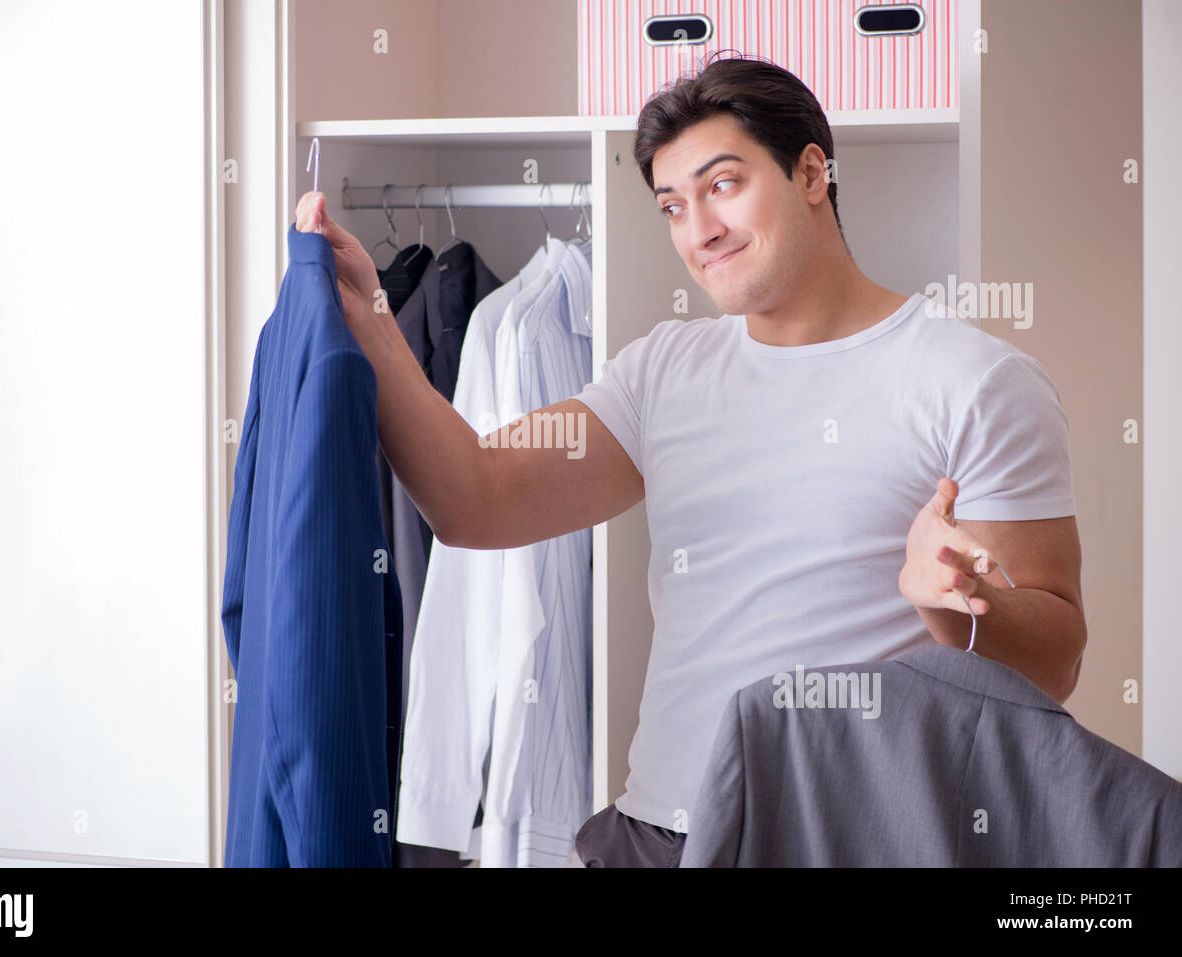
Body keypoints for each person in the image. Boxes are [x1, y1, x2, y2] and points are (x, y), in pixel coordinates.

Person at [290, 55, 1086, 867]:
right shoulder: (662, 370)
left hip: (845, 842)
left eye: (724, 185)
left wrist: (957, 598)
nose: (697, 229)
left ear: (812, 171)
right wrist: (375, 318)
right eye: (673, 205)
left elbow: (1056, 659)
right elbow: (476, 499)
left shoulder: (976, 382)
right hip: (655, 837)